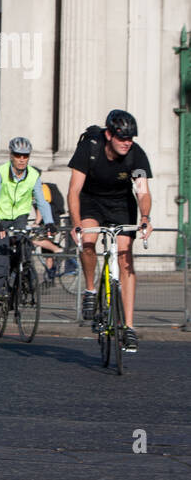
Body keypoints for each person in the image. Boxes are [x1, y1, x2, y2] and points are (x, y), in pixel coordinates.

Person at [68, 109, 153, 351]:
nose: (127, 143)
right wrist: (76, 223)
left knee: (126, 256)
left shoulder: (136, 155)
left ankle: (128, 327)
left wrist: (145, 217)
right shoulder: (90, 149)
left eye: (130, 138)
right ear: (109, 135)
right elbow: (74, 190)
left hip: (120, 204)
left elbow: (143, 191)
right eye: (122, 138)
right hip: (90, 201)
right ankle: (90, 289)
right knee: (88, 241)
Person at [0, 137, 54, 327]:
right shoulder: (0, 172)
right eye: (18, 155)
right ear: (11, 155)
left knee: (25, 252)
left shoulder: (33, 176)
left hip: (20, 219)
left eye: (25, 156)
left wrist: (50, 223)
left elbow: (41, 201)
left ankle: (22, 284)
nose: (22, 159)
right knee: (0, 263)